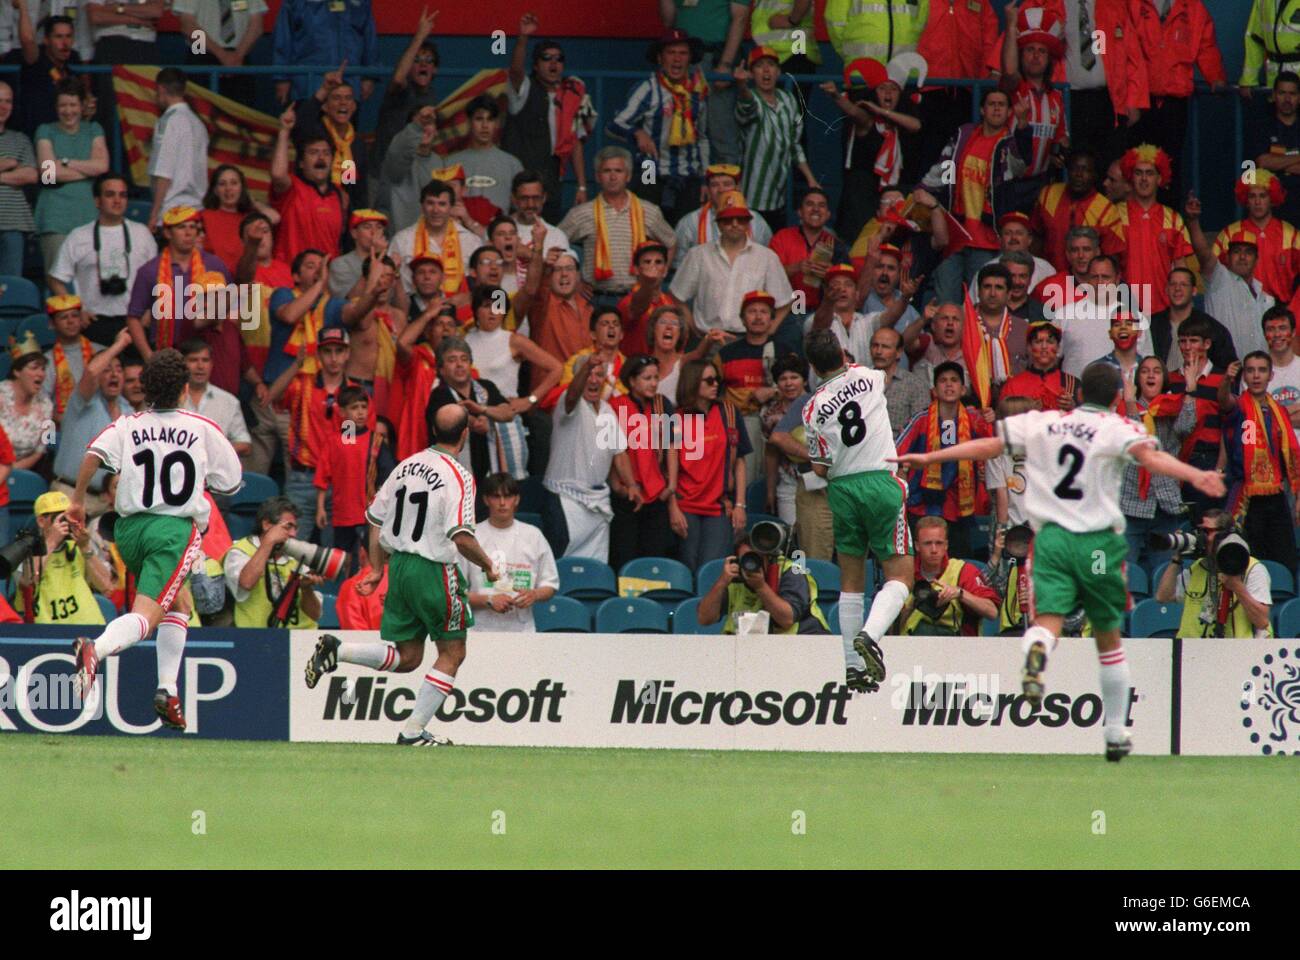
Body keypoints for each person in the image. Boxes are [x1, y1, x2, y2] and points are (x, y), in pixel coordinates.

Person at [893, 362, 1226, 760]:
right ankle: (1117, 731)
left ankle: (1036, 654)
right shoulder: (1118, 427)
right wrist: (1196, 474)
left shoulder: (1045, 422)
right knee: (1108, 637)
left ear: (1080, 393)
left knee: (1047, 622)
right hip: (1097, 542)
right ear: (1118, 395)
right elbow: (1152, 460)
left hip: (1050, 540)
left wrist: (930, 457)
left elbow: (988, 446)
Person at [304, 404, 501, 747]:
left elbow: (375, 519)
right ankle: (412, 733)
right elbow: (461, 536)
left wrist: (378, 568)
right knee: (453, 653)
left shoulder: (405, 466)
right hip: (433, 569)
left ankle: (339, 649)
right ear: (465, 435)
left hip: (400, 569)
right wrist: (487, 564)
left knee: (408, 657)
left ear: (432, 431)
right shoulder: (458, 475)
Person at [69, 348, 243, 731]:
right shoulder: (200, 427)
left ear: (144, 389)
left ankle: (167, 689)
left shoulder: (129, 424)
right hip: (171, 531)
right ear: (184, 388)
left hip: (129, 532)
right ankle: (94, 649)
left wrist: (78, 501)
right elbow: (230, 482)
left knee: (178, 600)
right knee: (148, 615)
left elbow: (92, 454)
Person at [801, 328, 913, 694]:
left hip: (843, 490)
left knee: (851, 581)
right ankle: (871, 634)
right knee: (900, 577)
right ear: (843, 353)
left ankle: (852, 666)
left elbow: (819, 468)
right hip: (880, 481)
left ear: (814, 369)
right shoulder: (868, 377)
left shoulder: (812, 408)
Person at [922, 87, 1031, 305]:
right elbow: (945, 167)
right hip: (955, 234)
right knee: (946, 302)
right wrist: (923, 187)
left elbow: (1021, 166)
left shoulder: (1008, 143)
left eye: (1002, 104)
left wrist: (1022, 124)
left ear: (1009, 111)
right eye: (992, 104)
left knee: (981, 305)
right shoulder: (964, 135)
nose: (997, 108)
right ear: (982, 109)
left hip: (987, 241)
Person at [542, 353, 642, 562]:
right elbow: (572, 395)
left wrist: (632, 484)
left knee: (594, 567)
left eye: (599, 375)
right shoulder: (568, 403)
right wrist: (586, 366)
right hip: (564, 498)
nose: (594, 380)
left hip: (598, 502)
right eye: (588, 374)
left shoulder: (607, 410)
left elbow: (619, 453)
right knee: (561, 566)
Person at [894, 361, 995, 560]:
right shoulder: (921, 420)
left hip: (958, 507)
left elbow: (990, 450)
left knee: (957, 564)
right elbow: (898, 452)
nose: (949, 385)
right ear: (934, 390)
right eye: (943, 381)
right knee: (919, 564)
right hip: (921, 505)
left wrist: (989, 421)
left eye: (954, 380)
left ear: (963, 389)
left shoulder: (974, 421)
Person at [611, 29, 710, 227]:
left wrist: (705, 178)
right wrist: (637, 133)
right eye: (671, 53)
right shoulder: (648, 89)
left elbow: (702, 138)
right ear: (660, 58)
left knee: (685, 229)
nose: (677, 59)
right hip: (650, 167)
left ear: (690, 59)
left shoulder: (698, 91)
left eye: (682, 53)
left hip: (687, 172)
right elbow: (615, 124)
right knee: (648, 224)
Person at [557, 145, 675, 309]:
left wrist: (657, 279)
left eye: (618, 171)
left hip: (637, 297)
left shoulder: (648, 211)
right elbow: (555, 243)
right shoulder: (582, 213)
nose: (612, 177)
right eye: (607, 171)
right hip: (596, 300)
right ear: (598, 176)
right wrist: (575, 281)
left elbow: (671, 242)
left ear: (627, 176)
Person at [48, 172, 157, 347]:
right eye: (110, 195)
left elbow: (158, 278)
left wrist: (151, 309)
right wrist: (77, 310)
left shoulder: (142, 233)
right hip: (94, 322)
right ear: (97, 201)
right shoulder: (78, 236)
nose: (117, 200)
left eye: (122, 195)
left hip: (135, 320)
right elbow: (55, 279)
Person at [822, 58, 923, 246]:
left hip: (891, 196)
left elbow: (916, 125)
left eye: (893, 89)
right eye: (882, 88)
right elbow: (854, 112)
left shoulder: (901, 122)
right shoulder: (867, 121)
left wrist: (883, 112)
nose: (888, 93)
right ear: (874, 93)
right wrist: (836, 96)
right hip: (862, 194)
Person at [504, 16, 595, 224]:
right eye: (546, 58)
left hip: (551, 183)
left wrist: (581, 186)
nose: (554, 63)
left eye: (558, 58)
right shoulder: (524, 90)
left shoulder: (572, 94)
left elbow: (575, 143)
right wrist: (523, 38)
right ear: (535, 65)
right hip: (520, 183)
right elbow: (516, 71)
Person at [1218, 350, 1300, 574]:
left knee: (1286, 562)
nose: (1256, 376)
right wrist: (1226, 380)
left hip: (1276, 496)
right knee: (1250, 563)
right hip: (1246, 496)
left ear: (1271, 376)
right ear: (1243, 376)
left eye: (1262, 370)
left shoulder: (1278, 412)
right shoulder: (1239, 407)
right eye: (1251, 370)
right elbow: (1224, 400)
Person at [670, 190, 792, 334]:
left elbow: (785, 301)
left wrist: (767, 332)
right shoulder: (698, 255)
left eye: (741, 219)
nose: (735, 224)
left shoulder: (767, 257)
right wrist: (695, 330)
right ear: (719, 224)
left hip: (749, 339)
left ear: (748, 223)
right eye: (728, 220)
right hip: (708, 338)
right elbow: (677, 294)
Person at [669, 358, 749, 570]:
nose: (716, 385)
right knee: (688, 568)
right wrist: (672, 507)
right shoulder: (676, 418)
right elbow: (670, 466)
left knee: (713, 570)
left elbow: (740, 461)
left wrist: (740, 504)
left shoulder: (729, 413)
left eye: (717, 380)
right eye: (709, 380)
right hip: (686, 505)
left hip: (719, 506)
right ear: (693, 382)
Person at [125, 205, 231, 358]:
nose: (188, 233)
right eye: (181, 227)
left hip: (209, 352)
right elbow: (133, 317)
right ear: (168, 233)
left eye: (193, 227)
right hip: (167, 353)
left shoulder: (214, 264)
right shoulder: (149, 271)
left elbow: (233, 307)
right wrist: (148, 355)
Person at [1119, 355, 1194, 571]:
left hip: (1165, 505)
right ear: (1138, 379)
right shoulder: (1124, 408)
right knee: (1127, 574)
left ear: (1164, 379)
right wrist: (1131, 403)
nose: (1151, 375)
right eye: (1145, 371)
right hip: (1132, 504)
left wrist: (1190, 392)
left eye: (1157, 371)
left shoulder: (1172, 408)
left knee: (1163, 574)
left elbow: (1185, 428)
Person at [425, 336, 518, 510]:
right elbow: (457, 417)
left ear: (470, 364)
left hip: (490, 479)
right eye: (452, 360)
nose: (459, 365)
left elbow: (508, 413)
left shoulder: (486, 387)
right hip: (453, 482)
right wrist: (479, 419)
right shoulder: (438, 394)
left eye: (464, 359)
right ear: (441, 370)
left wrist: (483, 410)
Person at [732, 45, 817, 230]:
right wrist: (741, 86)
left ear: (778, 72)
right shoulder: (750, 97)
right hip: (750, 198)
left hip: (778, 198)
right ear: (751, 73)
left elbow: (795, 145)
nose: (766, 70)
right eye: (759, 66)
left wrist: (811, 179)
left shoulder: (788, 99)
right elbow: (747, 106)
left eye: (770, 65)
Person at [463, 472, 560, 632]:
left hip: (523, 631)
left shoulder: (533, 535)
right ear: (486, 500)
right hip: (480, 631)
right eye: (496, 496)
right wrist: (488, 600)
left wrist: (534, 594)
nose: (502, 503)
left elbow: (550, 584)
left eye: (507, 496)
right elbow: (456, 593)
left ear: (517, 499)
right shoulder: (471, 538)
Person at [50, 328, 132, 517]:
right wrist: (120, 344)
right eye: (107, 370)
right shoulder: (82, 401)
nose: (114, 374)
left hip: (107, 500)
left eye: (119, 370)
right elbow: (91, 371)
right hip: (69, 493)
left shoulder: (129, 412)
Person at [1154, 508, 1273, 638]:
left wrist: (1237, 586)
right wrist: (1176, 559)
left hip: (1236, 652)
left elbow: (1262, 621)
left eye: (1207, 531)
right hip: (1192, 651)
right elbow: (1163, 596)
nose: (1201, 536)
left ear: (1226, 535)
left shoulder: (1251, 568)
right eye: (1200, 531)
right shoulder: (1199, 566)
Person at [1186, 195, 1275, 360]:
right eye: (1237, 251)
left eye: (1248, 252)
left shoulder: (1267, 299)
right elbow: (1203, 253)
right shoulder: (1220, 279)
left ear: (1257, 259)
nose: (1242, 257)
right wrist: (1193, 222)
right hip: (1225, 372)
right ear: (1227, 257)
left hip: (1257, 375)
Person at [33, 78, 107, 271]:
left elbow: (102, 166)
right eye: (63, 105)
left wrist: (65, 162)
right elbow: (49, 174)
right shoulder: (46, 130)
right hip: (55, 219)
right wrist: (88, 170)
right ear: (56, 107)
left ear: (82, 106)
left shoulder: (93, 129)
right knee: (59, 283)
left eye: (73, 105)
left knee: (89, 284)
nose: (68, 111)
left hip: (88, 216)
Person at [371, 8, 440, 215]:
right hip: (381, 174)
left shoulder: (432, 99)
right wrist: (420, 36)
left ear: (435, 70)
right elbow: (398, 78)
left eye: (429, 61)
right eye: (417, 60)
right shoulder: (400, 92)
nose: (423, 65)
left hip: (413, 178)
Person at [697, 529, 832, 634]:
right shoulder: (733, 577)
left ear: (768, 557)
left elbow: (787, 619)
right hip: (747, 650)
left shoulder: (790, 572)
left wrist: (761, 587)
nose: (751, 564)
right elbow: (704, 618)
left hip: (803, 646)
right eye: (746, 558)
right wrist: (722, 582)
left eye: (756, 558)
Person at [665, 0, 749, 166]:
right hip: (682, 58)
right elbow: (669, 21)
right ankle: (689, 187)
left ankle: (729, 189)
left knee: (721, 131)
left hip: (714, 59)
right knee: (679, 129)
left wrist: (725, 64)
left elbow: (740, 19)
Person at [1115, 144, 1195, 315]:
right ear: (1131, 177)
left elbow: (1182, 269)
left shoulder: (1173, 219)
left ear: (1160, 179)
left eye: (1149, 173)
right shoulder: (1115, 215)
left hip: (1163, 309)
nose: (1144, 179)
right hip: (1124, 310)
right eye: (1138, 173)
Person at [14, 490, 113, 626]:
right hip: (48, 633)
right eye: (60, 518)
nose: (66, 523)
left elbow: (106, 586)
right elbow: (28, 582)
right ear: (41, 521)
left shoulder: (78, 546)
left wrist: (84, 547)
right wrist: (51, 542)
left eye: (69, 517)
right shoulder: (25, 550)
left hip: (89, 627)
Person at [223, 496, 324, 629]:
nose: (293, 534)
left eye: (295, 528)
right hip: (255, 637)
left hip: (298, 639)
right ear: (266, 525)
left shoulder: (298, 557)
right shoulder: (240, 551)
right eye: (288, 526)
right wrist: (268, 543)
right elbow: (246, 583)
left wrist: (306, 589)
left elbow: (315, 615)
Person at [1210, 171, 1299, 306]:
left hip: (1280, 310)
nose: (1257, 202)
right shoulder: (1230, 233)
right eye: (1252, 196)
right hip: (1239, 307)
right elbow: (1212, 273)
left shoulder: (1290, 234)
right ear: (1246, 200)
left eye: (1263, 196)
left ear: (1272, 199)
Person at [270, 101, 344, 263]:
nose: (321, 158)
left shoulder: (340, 195)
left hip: (326, 281)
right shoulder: (291, 189)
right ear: (301, 163)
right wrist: (284, 132)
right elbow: (277, 174)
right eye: (313, 152)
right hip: (290, 280)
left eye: (326, 153)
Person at [901, 516, 1000, 636]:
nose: (934, 550)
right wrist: (912, 605)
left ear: (946, 545)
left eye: (939, 543)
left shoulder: (963, 571)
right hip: (910, 645)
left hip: (957, 645)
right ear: (917, 546)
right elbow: (890, 629)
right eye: (927, 543)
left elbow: (992, 612)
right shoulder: (904, 573)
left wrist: (960, 593)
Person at [1030, 148, 1124, 273]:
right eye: (1075, 168)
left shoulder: (1107, 210)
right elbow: (1036, 238)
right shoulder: (1048, 195)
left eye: (1086, 170)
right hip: (1049, 279)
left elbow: (1112, 258)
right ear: (1067, 170)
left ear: (1094, 175)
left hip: (1088, 285)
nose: (1079, 174)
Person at [272, 0, 377, 105]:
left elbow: (369, 38)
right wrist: (281, 78)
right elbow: (283, 38)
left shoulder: (360, 2)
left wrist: (369, 76)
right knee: (308, 119)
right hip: (309, 85)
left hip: (349, 85)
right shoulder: (294, 2)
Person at [391, 180, 482, 297]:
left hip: (461, 310)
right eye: (430, 203)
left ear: (451, 207)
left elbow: (480, 282)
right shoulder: (401, 240)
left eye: (442, 204)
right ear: (422, 206)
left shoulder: (471, 241)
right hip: (414, 310)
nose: (436, 210)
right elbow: (391, 283)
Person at [672, 163, 773, 268]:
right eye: (714, 185)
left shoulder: (756, 221)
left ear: (738, 187)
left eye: (727, 184)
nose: (721, 190)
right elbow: (679, 265)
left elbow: (767, 260)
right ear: (708, 190)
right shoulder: (690, 222)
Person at [145, 68, 208, 233]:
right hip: (197, 212)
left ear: (161, 90)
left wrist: (154, 214)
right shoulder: (198, 123)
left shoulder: (168, 121)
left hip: (172, 214)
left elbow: (164, 171)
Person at [768, 188, 849, 313]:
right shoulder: (782, 238)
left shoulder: (837, 245)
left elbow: (848, 286)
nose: (816, 209)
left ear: (828, 214)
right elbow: (768, 276)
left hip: (824, 311)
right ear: (799, 212)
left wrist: (831, 275)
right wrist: (797, 268)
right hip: (788, 311)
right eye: (809, 204)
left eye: (821, 205)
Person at [174, 0, 266, 108]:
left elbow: (257, 25)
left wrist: (238, 55)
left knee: (240, 115)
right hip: (200, 52)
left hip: (239, 58)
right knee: (201, 113)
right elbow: (188, 26)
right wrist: (222, 55)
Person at [1149, 266, 1237, 372]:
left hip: (1202, 387)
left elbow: (1228, 369)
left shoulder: (1212, 328)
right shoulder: (1152, 325)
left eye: (1183, 285)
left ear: (1194, 291)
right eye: (1173, 284)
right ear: (1166, 290)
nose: (1177, 289)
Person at [177, 337, 251, 458]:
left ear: (211, 364)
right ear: (182, 364)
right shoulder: (169, 398)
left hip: (216, 472)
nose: (200, 366)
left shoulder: (228, 401)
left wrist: (214, 452)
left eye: (205, 360)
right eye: (193, 360)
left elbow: (244, 443)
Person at [618, 240, 692, 357]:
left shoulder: (671, 304)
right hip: (636, 371)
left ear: (665, 270)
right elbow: (639, 307)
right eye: (647, 262)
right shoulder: (626, 302)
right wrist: (649, 283)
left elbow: (680, 346)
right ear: (636, 269)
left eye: (658, 262)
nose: (653, 266)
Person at [15, 14, 84, 136]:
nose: (65, 43)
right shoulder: (37, 60)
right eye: (58, 37)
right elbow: (27, 40)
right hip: (37, 137)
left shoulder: (74, 62)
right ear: (46, 40)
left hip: (66, 136)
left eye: (68, 36)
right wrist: (23, 6)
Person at [760, 352, 807, 525]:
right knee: (791, 539)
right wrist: (770, 491)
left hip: (820, 483)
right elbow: (771, 454)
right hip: (788, 484)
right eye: (783, 378)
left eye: (794, 377)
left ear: (804, 380)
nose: (788, 383)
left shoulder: (819, 406)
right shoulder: (770, 415)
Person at [41, 293, 99, 424]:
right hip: (63, 424)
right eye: (63, 317)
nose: (71, 321)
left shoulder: (100, 352)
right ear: (51, 324)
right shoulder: (46, 361)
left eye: (75, 316)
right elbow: (43, 403)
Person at [1252, 71, 1300, 226]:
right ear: (1273, 95)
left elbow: (1271, 162)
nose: (1287, 99)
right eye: (1282, 93)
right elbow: (1263, 162)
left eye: (1292, 94)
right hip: (1274, 202)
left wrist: (1279, 163)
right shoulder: (1263, 125)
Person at [0, 333, 53, 473]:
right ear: (17, 371)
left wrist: (11, 471)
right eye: (34, 368)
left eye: (43, 369)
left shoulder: (47, 405)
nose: (41, 374)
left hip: (24, 472)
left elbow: (43, 449)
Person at [999, 320, 1078, 412]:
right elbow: (1004, 421)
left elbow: (1088, 421)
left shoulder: (1072, 383)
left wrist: (1074, 408)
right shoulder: (1012, 386)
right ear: (1029, 347)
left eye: (1050, 342)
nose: (1044, 346)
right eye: (1038, 341)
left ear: (1058, 347)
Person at [0, 80, 36, 278]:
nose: (3, 107)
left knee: (10, 287)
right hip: (49, 213)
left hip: (14, 223)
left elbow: (32, 175)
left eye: (8, 101)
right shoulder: (46, 133)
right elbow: (45, 175)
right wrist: (10, 163)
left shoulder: (20, 139)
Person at [870, 325, 930, 434]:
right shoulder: (859, 381)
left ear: (899, 352)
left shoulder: (915, 385)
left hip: (899, 448)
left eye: (885, 347)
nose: (878, 351)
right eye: (875, 345)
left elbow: (922, 429)